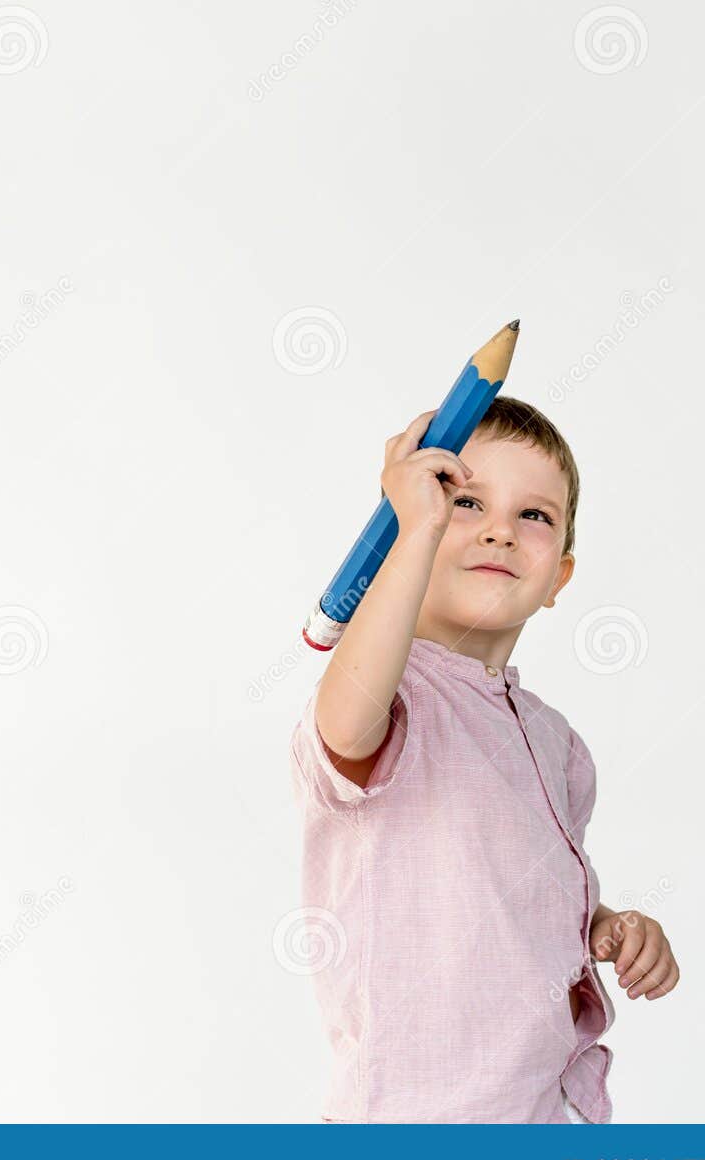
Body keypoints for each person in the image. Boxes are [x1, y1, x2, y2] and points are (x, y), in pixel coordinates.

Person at [289, 396, 679, 1122]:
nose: (501, 530)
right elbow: (346, 722)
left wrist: (604, 927)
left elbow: (526, 904)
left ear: (559, 576)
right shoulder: (388, 691)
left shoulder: (555, 742)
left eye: (534, 516)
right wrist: (414, 531)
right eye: (465, 502)